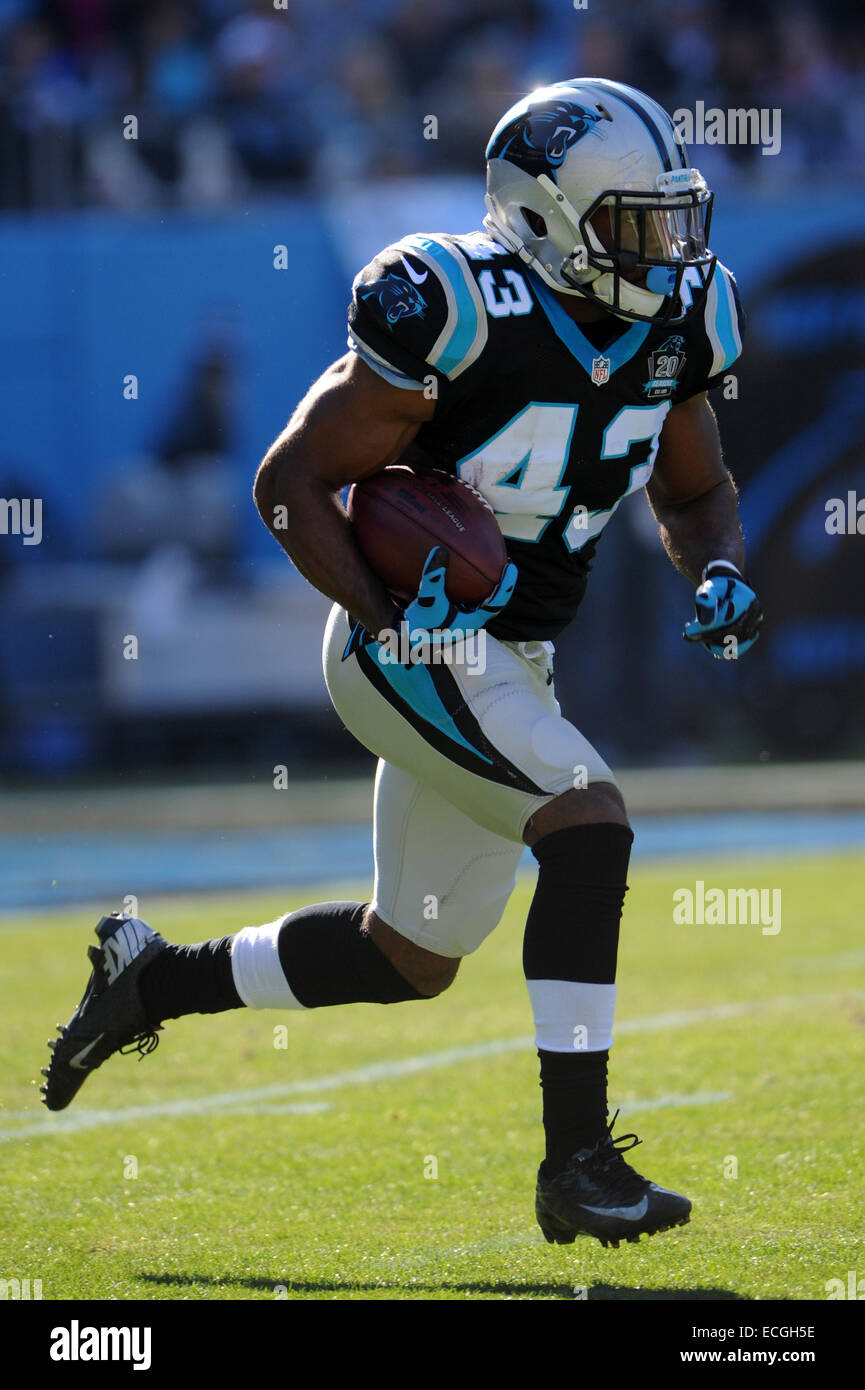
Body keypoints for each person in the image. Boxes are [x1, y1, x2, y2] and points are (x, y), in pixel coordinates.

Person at [41, 79, 762, 1250]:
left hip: (514, 654)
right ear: (546, 218)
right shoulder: (457, 304)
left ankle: (150, 979)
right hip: (412, 641)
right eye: (634, 222)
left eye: (672, 218)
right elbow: (290, 482)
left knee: (408, 955)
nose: (665, 249)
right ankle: (578, 1165)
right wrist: (390, 615)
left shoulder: (684, 315)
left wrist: (717, 568)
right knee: (587, 822)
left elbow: (696, 490)